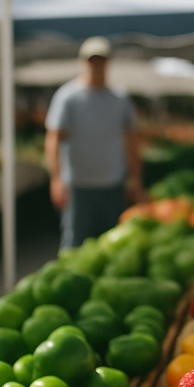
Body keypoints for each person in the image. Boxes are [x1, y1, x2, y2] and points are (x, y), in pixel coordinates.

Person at [45, 37, 143, 249]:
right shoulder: (68, 97)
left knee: (112, 246)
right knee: (76, 245)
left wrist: (135, 178)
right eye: (92, 60)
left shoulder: (119, 99)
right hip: (79, 186)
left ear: (108, 63)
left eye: (101, 60)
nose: (96, 65)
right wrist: (56, 179)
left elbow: (131, 141)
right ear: (84, 62)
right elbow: (54, 139)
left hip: (113, 184)